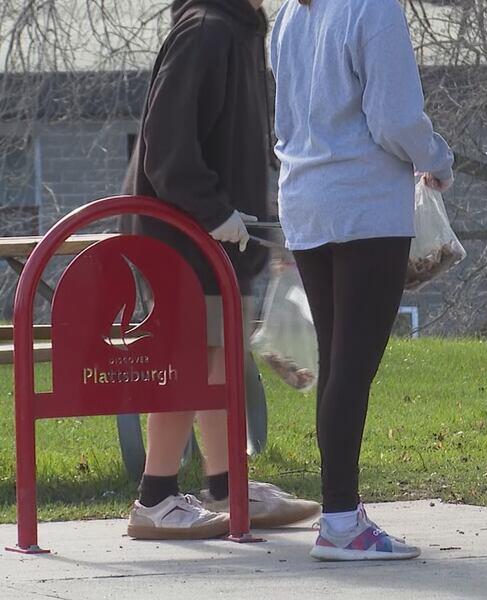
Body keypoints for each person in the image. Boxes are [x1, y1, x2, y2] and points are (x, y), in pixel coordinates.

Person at [122, 0, 320, 540]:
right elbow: (167, 145)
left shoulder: (239, 30)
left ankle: (227, 484)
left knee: (219, 355)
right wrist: (214, 211)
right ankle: (155, 498)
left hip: (217, 234)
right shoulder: (207, 31)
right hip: (181, 237)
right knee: (192, 356)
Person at [270, 0, 454, 560]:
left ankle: (341, 513)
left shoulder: (289, 15)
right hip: (365, 206)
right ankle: (342, 520)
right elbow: (395, 117)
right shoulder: (372, 7)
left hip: (305, 204)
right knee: (352, 369)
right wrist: (438, 159)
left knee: (337, 363)